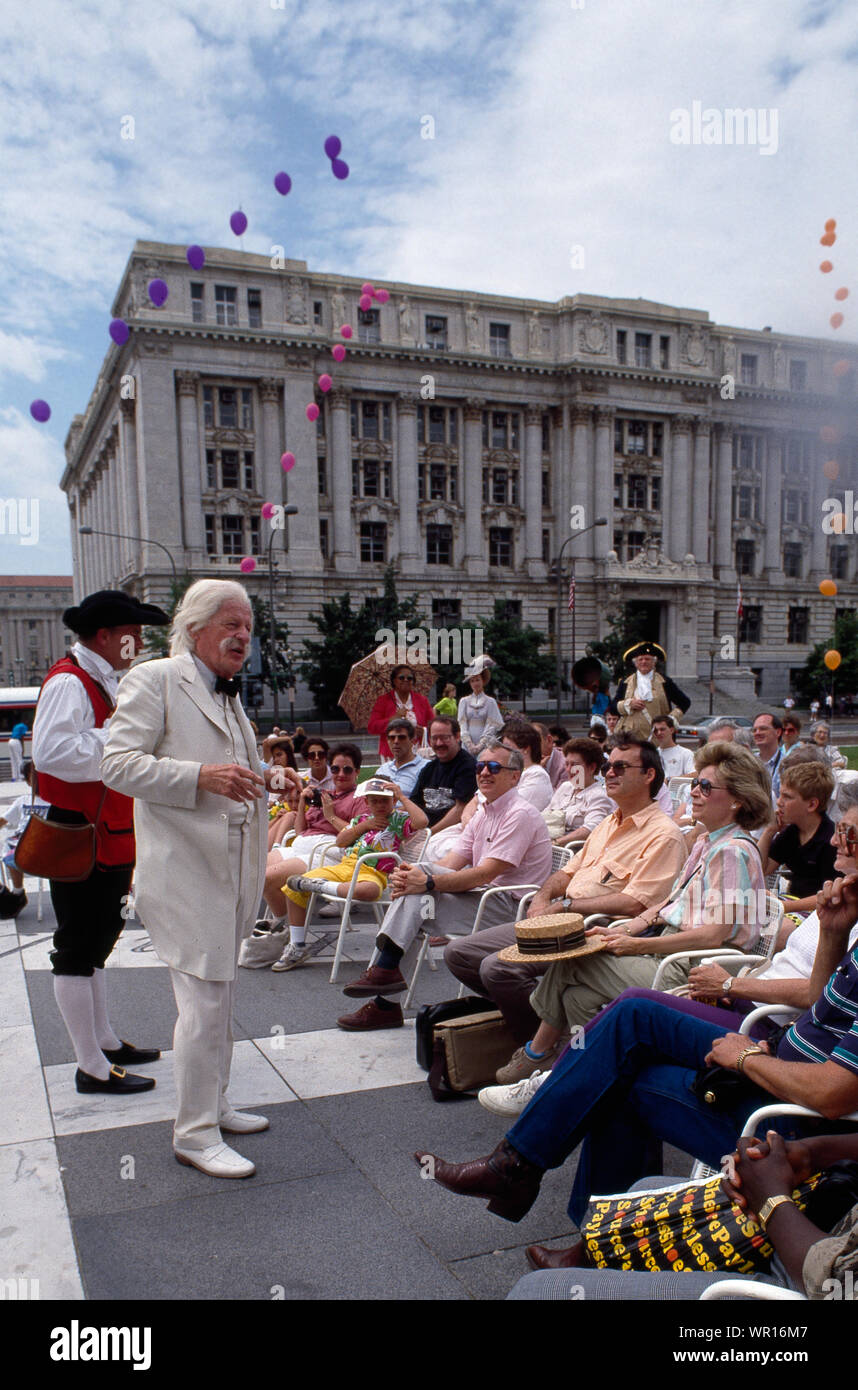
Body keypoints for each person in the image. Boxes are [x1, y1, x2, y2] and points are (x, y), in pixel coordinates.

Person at [415, 869, 858, 1239]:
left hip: (796, 1125)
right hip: (774, 1050)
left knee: (628, 1023)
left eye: (851, 833)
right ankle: (581, 1226)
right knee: (621, 1043)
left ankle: (527, 1171)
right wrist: (835, 933)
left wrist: (747, 1055)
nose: (842, 839)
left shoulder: (727, 849)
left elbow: (834, 1096)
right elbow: (820, 1001)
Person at [102, 579, 270, 1179]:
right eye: (230, 623)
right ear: (194, 627)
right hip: (185, 873)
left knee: (220, 998)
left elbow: (235, 770)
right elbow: (117, 765)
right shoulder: (153, 679)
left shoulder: (228, 694)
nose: (242, 634)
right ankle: (194, 1133)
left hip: (231, 871)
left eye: (247, 625)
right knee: (201, 1003)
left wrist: (272, 777)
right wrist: (199, 776)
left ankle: (215, 1104)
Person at [496, 742, 771, 1082]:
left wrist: (637, 944)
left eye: (705, 787)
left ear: (737, 800)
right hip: (673, 953)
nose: (695, 793)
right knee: (577, 997)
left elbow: (715, 934)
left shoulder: (732, 852)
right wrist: (623, 931)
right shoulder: (706, 842)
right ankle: (582, 1068)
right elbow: (669, 903)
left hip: (693, 970)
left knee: (572, 957)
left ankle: (540, 1057)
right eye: (695, 784)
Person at [445, 736, 687, 1051]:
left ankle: (537, 1047)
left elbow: (637, 903)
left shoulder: (663, 835)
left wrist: (566, 905)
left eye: (619, 767)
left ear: (649, 775)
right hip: (561, 918)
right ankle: (541, 1031)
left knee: (497, 968)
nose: (608, 773)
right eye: (606, 766)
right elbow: (565, 873)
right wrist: (545, 897)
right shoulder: (609, 824)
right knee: (459, 954)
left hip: (598, 929)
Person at [32, 588, 169, 1098]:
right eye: (133, 635)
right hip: (80, 837)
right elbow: (51, 754)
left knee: (97, 943)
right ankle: (89, 1066)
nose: (138, 643)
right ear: (107, 635)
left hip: (106, 833)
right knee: (76, 947)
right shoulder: (70, 681)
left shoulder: (99, 677)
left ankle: (105, 1041)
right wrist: (117, 738)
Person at [336, 744, 553, 1032]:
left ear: (515, 777)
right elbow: (451, 862)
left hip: (510, 907)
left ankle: (385, 987)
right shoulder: (484, 812)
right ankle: (385, 986)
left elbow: (484, 873)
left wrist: (426, 880)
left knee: (419, 889)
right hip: (484, 898)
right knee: (415, 896)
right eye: (480, 766)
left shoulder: (519, 814)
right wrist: (413, 877)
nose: (484, 772)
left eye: (494, 767)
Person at [507, 1129, 858, 1298]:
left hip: (814, 1277)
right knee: (643, 1190)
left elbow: (838, 1287)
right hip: (830, 1209)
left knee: (535, 1292)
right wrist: (813, 1152)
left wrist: (771, 1201)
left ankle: (514, 1165)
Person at [276, 779, 427, 971]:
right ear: (367, 803)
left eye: (385, 801)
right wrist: (364, 827)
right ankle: (297, 945)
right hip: (346, 865)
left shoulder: (398, 820)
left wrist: (402, 797)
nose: (380, 805)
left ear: (392, 801)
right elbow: (340, 841)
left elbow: (422, 822)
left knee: (370, 890)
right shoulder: (361, 820)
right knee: (294, 885)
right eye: (375, 801)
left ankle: (321, 886)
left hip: (373, 871)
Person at [263, 745, 365, 964]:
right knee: (256, 871)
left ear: (357, 771)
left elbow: (357, 835)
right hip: (302, 845)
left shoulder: (360, 798)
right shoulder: (325, 795)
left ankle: (290, 934)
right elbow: (300, 830)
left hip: (329, 851)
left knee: (269, 877)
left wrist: (330, 816)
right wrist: (301, 802)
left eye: (347, 770)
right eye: (335, 769)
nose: (340, 775)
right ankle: (287, 928)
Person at [757, 760, 838, 914]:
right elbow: (762, 869)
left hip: (817, 912)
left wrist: (782, 906)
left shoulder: (829, 840)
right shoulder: (792, 832)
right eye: (780, 795)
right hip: (790, 904)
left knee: (778, 930)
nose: (779, 802)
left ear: (812, 805)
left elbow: (831, 895)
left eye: (787, 797)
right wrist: (769, 831)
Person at [409, 716, 477, 834]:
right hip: (424, 831)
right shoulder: (429, 769)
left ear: (457, 737)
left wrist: (428, 834)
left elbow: (460, 809)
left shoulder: (468, 767)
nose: (439, 743)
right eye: (434, 738)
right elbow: (413, 804)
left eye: (444, 738)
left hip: (451, 833)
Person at [541, 738, 614, 846]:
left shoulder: (599, 796)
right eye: (567, 764)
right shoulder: (565, 787)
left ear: (592, 767)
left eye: (574, 765)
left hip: (573, 853)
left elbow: (591, 828)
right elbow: (544, 816)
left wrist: (556, 842)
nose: (568, 769)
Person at [613, 641, 690, 739]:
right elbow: (613, 707)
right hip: (632, 737)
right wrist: (628, 704)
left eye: (647, 659)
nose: (644, 662)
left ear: (654, 662)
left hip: (658, 738)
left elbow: (685, 702)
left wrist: (669, 719)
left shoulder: (665, 682)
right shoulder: (625, 682)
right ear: (635, 663)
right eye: (640, 659)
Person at [0, 759, 49, 910]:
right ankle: (17, 892)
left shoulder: (57, 803)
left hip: (47, 853)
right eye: (34, 777)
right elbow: (3, 820)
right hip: (21, 850)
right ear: (28, 781)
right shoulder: (23, 801)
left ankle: (16, 895)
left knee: (12, 852)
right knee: (11, 850)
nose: (39, 781)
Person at [367, 666, 434, 760]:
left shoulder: (422, 700)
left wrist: (424, 731)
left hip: (418, 753)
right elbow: (372, 727)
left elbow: (433, 724)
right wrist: (393, 719)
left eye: (410, 678)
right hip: (391, 754)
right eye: (401, 677)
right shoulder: (383, 700)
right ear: (394, 681)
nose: (406, 680)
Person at [499, 721, 553, 810]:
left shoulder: (537, 775)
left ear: (525, 749)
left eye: (507, 747)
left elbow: (510, 809)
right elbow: (477, 801)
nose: (503, 752)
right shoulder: (504, 771)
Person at [457, 662, 503, 755]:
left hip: (485, 743)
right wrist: (469, 744)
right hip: (467, 743)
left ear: (483, 681)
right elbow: (462, 723)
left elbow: (492, 724)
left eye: (477, 680)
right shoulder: (464, 701)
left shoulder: (490, 701)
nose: (475, 683)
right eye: (472, 681)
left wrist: (481, 744)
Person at [376, 717, 424, 796]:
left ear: (412, 740)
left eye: (401, 737)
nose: (396, 741)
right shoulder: (382, 770)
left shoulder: (425, 768)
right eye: (392, 738)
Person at [753, 711, 786, 803]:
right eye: (754, 730)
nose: (757, 733)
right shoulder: (749, 762)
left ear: (778, 732)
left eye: (763, 729)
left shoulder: (787, 764)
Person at [650, 713, 695, 780]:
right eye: (656, 730)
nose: (658, 733)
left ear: (672, 730)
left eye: (662, 729)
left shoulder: (685, 753)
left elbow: (694, 775)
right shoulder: (652, 755)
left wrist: (669, 780)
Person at [533, 722, 568, 791]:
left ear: (549, 740)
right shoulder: (522, 763)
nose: (527, 750)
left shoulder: (569, 763)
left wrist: (537, 772)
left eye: (533, 743)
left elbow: (565, 797)